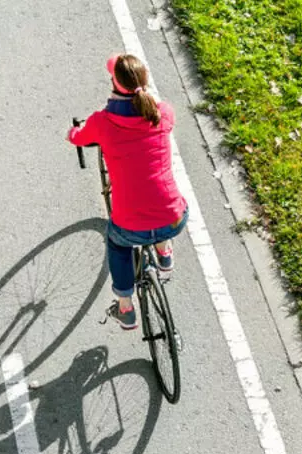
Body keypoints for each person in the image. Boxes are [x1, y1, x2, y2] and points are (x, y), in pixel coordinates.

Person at [68, 54, 189, 330]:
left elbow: (80, 137)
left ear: (114, 82)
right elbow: (158, 109)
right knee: (160, 216)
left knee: (118, 243)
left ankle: (125, 306)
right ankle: (165, 254)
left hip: (130, 225)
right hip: (173, 217)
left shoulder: (102, 122)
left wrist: (72, 133)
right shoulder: (163, 113)